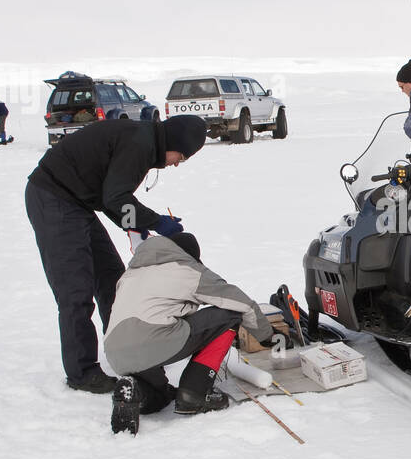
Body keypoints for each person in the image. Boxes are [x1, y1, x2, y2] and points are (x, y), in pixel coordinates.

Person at [25, 115, 207, 394]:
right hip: (54, 197)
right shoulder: (140, 143)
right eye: (180, 156)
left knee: (112, 279)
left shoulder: (144, 141)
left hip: (78, 202)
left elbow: (110, 195)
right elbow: (115, 199)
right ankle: (82, 372)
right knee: (75, 289)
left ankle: (130, 351)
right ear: (172, 142)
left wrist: (137, 223)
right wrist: (156, 222)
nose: (176, 163)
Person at [103, 232, 275, 433]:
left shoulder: (131, 274)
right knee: (230, 314)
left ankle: (133, 389)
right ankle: (195, 392)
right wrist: (268, 336)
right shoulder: (187, 269)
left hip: (116, 353)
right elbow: (240, 302)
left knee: (159, 397)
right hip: (152, 341)